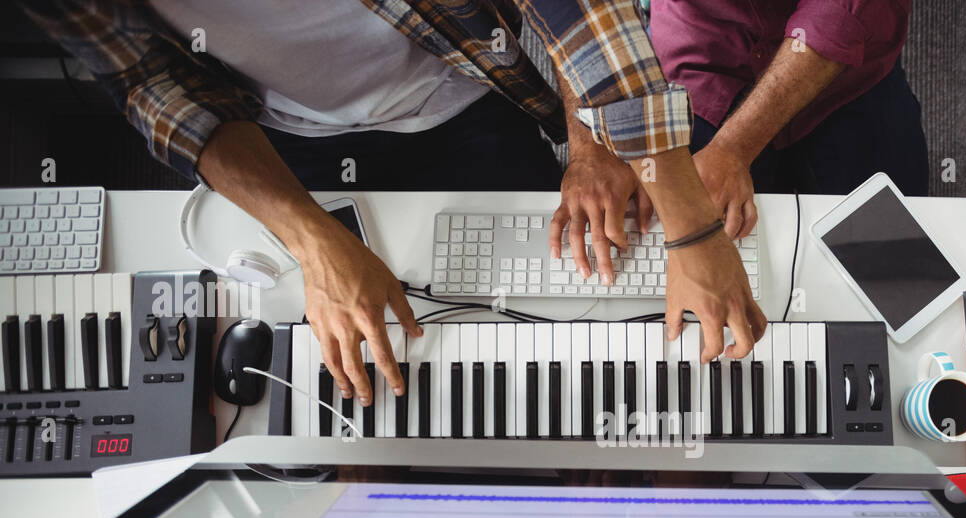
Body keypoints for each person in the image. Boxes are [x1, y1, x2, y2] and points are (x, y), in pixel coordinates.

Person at [20, 0, 765, 408]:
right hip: (281, 140)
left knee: (548, 323)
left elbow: (576, 14)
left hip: (475, 91)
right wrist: (314, 242)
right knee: (365, 370)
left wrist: (682, 221)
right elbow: (153, 84)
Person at [649, 0, 928, 239]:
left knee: (891, 260)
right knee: (673, 245)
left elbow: (840, 11)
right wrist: (603, 148)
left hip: (848, 70)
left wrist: (733, 149)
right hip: (703, 55)